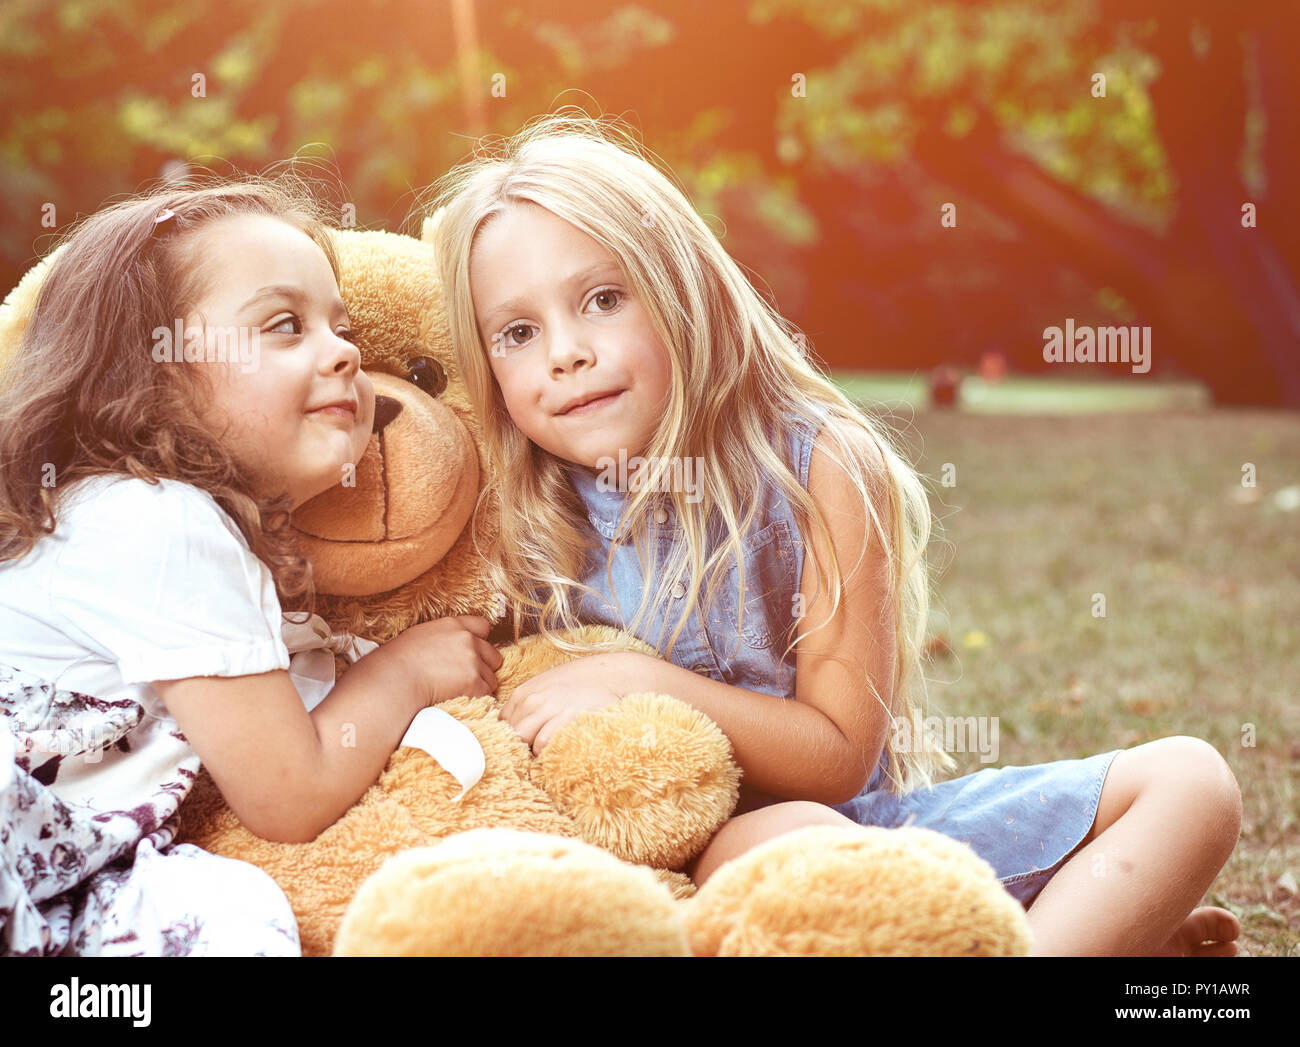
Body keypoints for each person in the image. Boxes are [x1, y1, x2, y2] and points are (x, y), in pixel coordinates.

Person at [421, 111, 1244, 956]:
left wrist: (635, 679)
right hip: (683, 879)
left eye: (602, 299)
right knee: (771, 846)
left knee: (1193, 781)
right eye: (518, 333)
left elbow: (840, 754)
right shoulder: (506, 505)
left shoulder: (817, 463)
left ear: (681, 290)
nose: (566, 353)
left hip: (855, 833)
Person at [0, 173, 502, 955]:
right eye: (282, 325)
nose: (342, 353)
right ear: (151, 374)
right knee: (231, 915)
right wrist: (406, 672)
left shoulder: (151, 520)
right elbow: (286, 794)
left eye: (345, 331)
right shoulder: (160, 521)